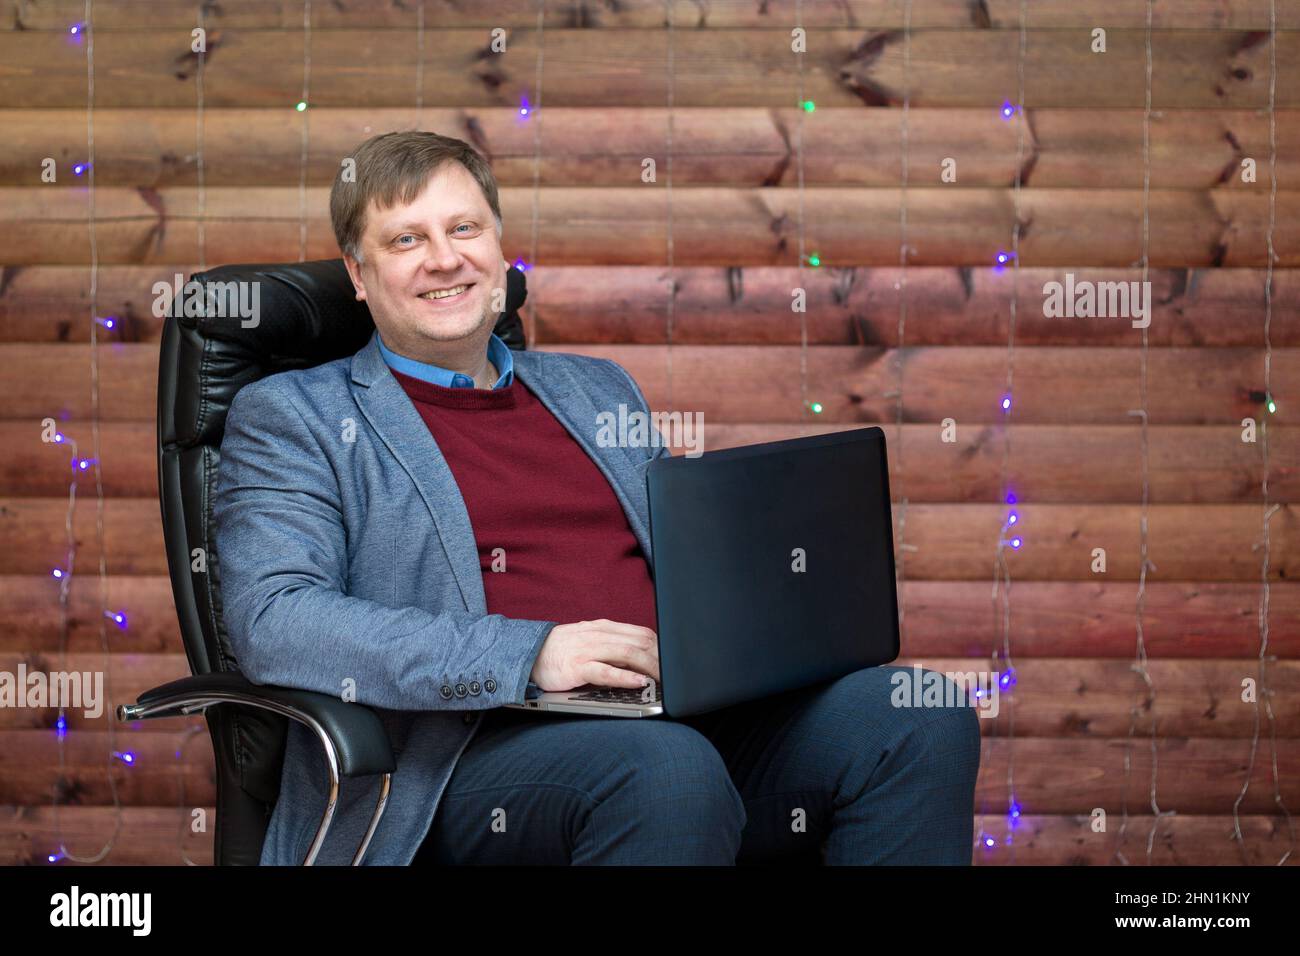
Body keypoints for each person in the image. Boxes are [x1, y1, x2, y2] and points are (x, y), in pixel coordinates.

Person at [213, 130, 981, 865]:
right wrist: (532, 652)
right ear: (357, 273)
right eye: (406, 240)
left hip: (667, 715)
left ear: (500, 247)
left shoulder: (595, 389)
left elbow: (678, 565)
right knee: (664, 772)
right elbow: (277, 620)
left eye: (464, 228)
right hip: (463, 759)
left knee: (916, 716)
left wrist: (754, 628)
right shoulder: (297, 415)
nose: (445, 260)